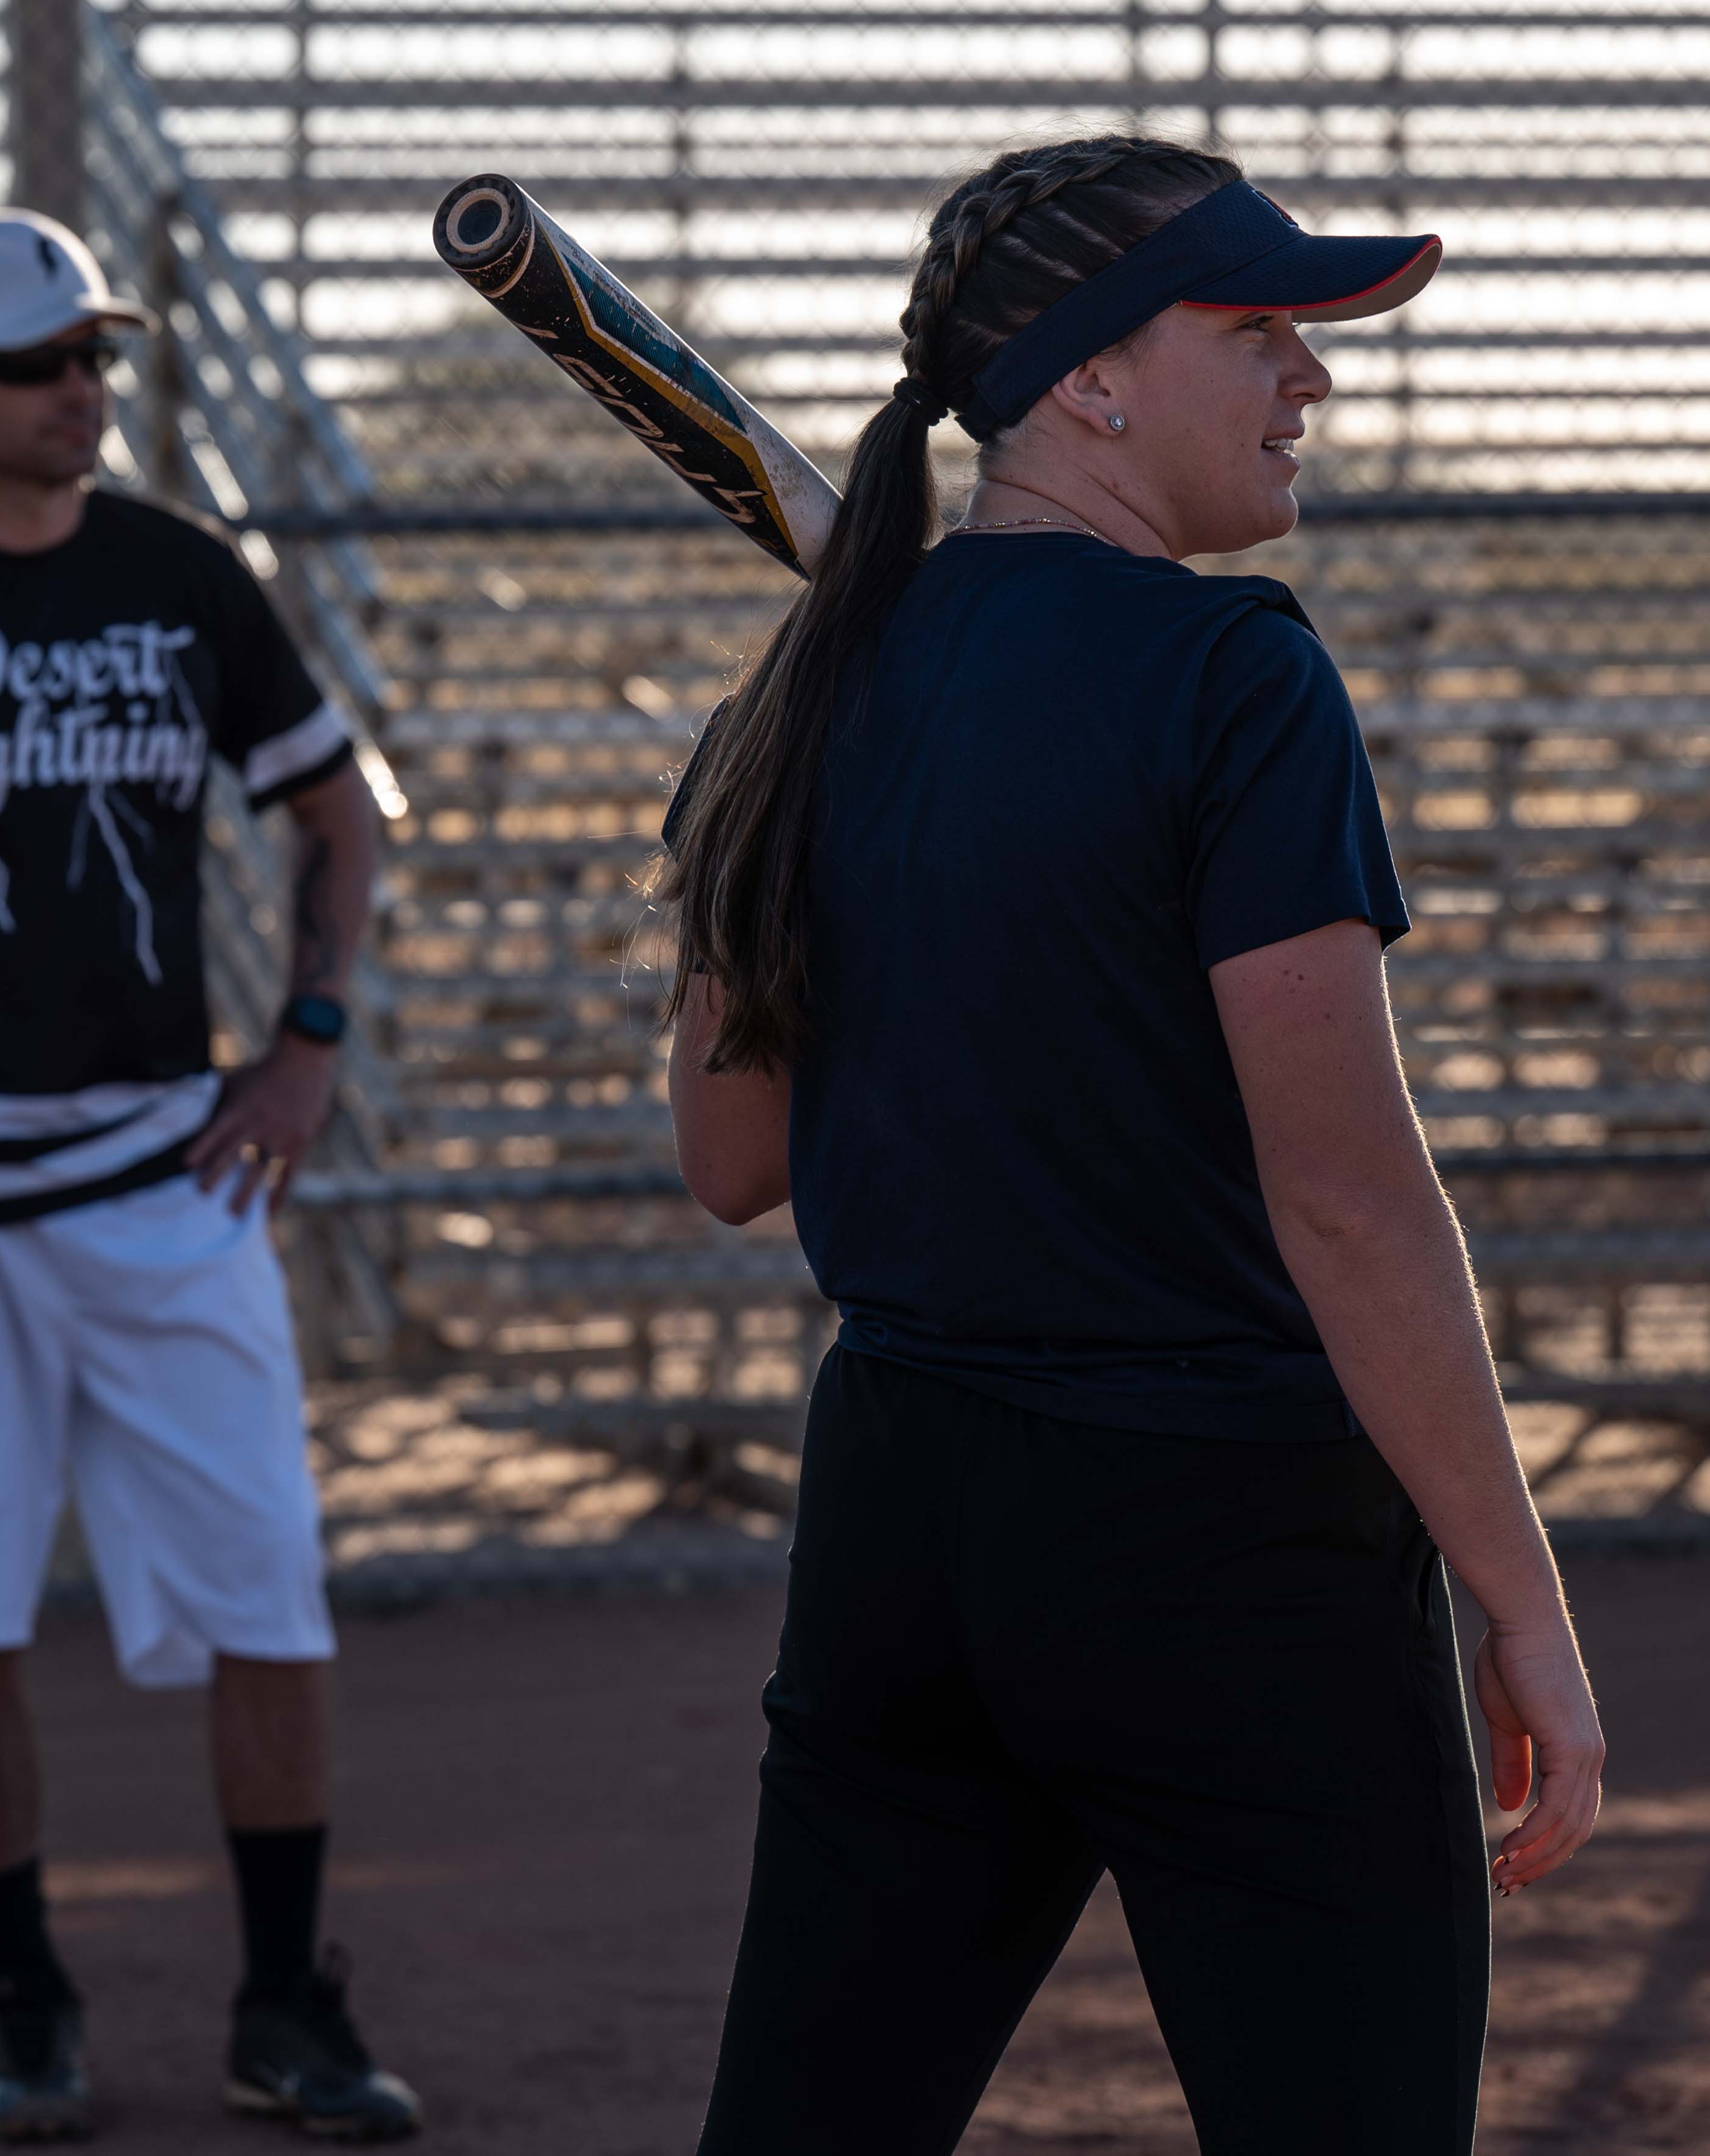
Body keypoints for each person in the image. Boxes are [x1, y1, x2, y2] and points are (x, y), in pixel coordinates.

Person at [661, 139, 1608, 2154]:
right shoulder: (1230, 675)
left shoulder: (809, 691)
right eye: (1256, 327)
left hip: (903, 1519)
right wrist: (1516, 1593)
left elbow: (729, 1153)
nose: (1311, 374)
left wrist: (800, 774)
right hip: (1225, 1550)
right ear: (1090, 378)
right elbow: (1350, 1201)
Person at [0, 208, 417, 2143]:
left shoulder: (183, 579)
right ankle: (27, 1997)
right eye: (40, 366)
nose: (82, 394)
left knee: (271, 1596)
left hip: (164, 1185)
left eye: (97, 360)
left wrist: (306, 1045)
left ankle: (284, 2002)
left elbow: (334, 814)